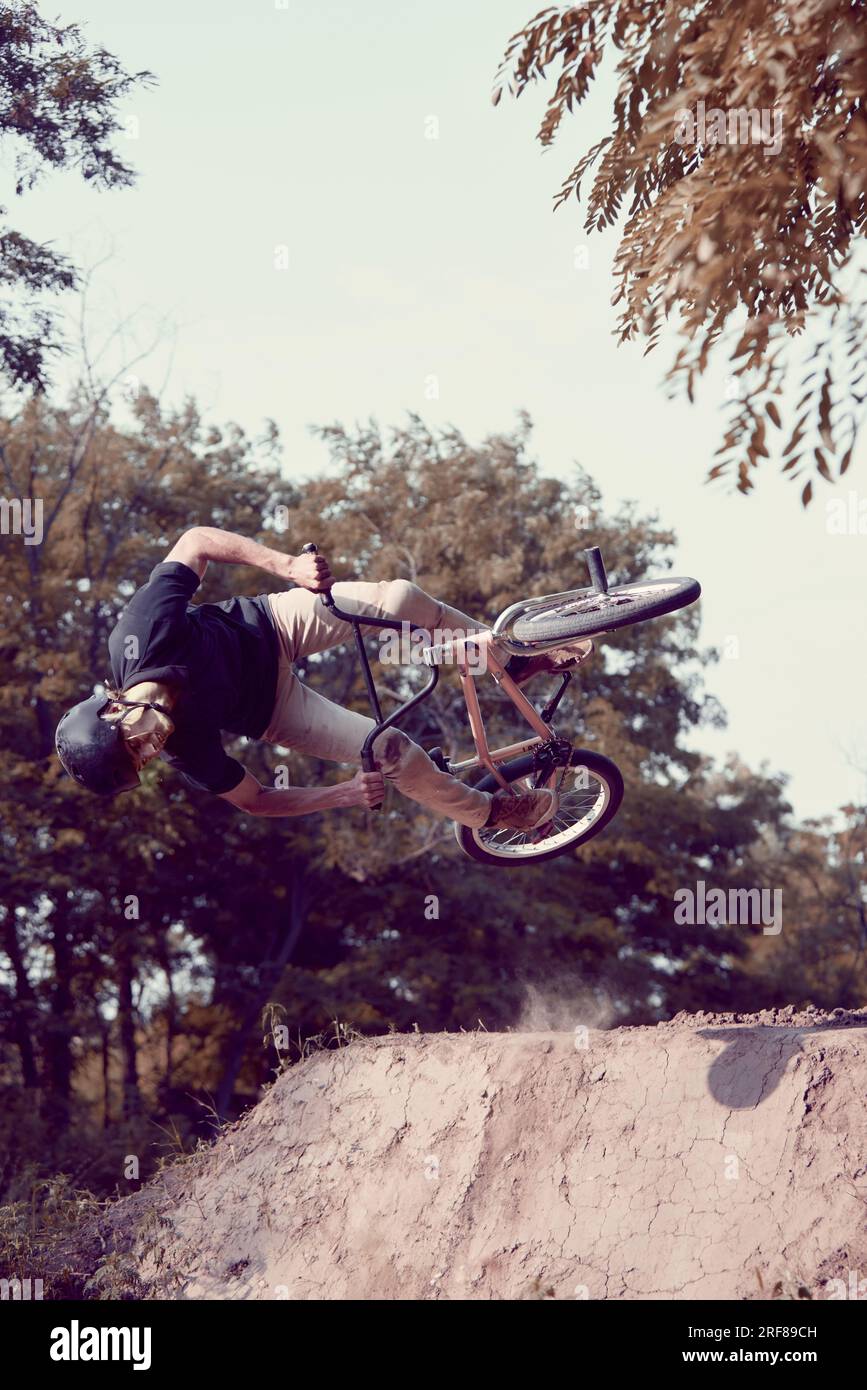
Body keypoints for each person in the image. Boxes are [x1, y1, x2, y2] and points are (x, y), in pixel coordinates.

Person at [55, 527, 564, 831]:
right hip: (273, 708)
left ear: (114, 708)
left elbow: (196, 542)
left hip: (269, 625)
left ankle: (509, 658)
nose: (149, 748)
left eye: (132, 742)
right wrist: (341, 794)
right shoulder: (183, 748)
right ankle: (490, 814)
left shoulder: (142, 631)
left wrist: (288, 567)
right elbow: (255, 800)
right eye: (141, 760)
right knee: (390, 750)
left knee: (401, 599)